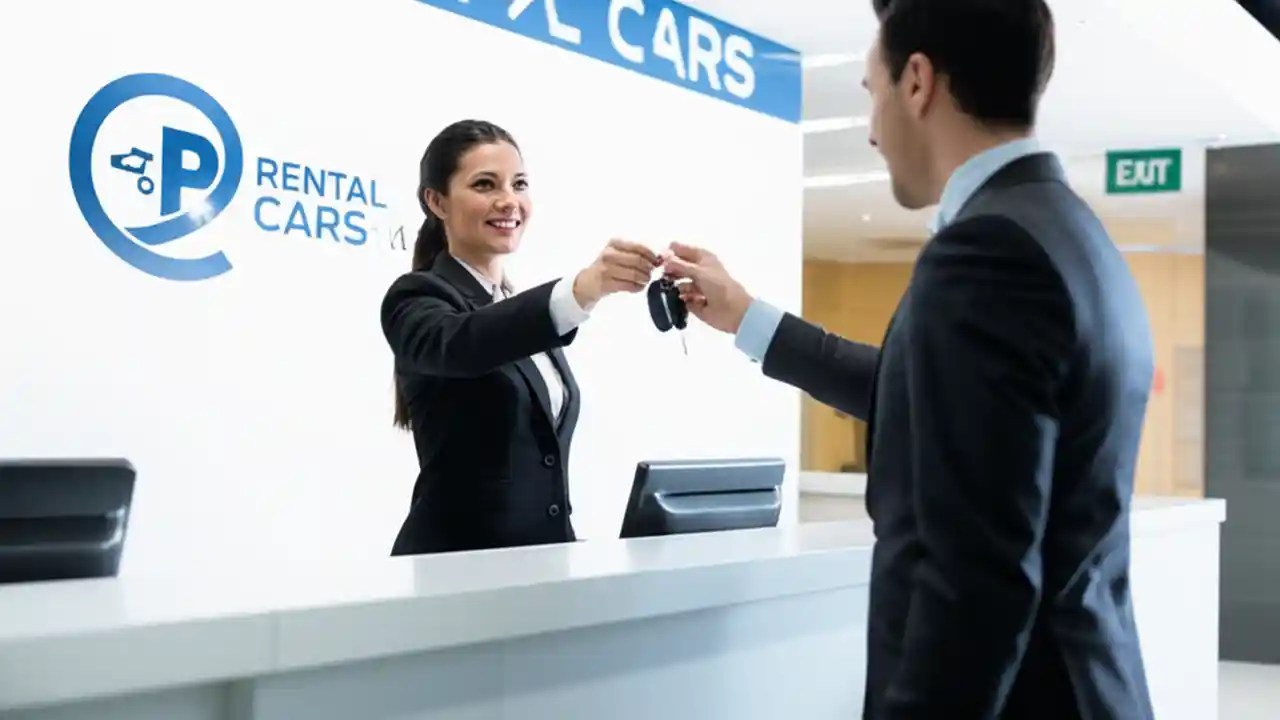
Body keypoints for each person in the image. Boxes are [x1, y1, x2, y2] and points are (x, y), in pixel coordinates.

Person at [663, 1, 1156, 718]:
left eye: (872, 93)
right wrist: (748, 318)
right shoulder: (1069, 234)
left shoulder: (986, 253)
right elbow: (934, 403)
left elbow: (975, 584)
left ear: (917, 82)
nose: (871, 129)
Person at [381, 119, 659, 556]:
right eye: (485, 184)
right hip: (452, 570)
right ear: (437, 201)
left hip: (540, 566)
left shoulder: (518, 311)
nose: (509, 201)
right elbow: (462, 345)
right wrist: (581, 289)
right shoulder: (416, 297)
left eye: (519, 184)